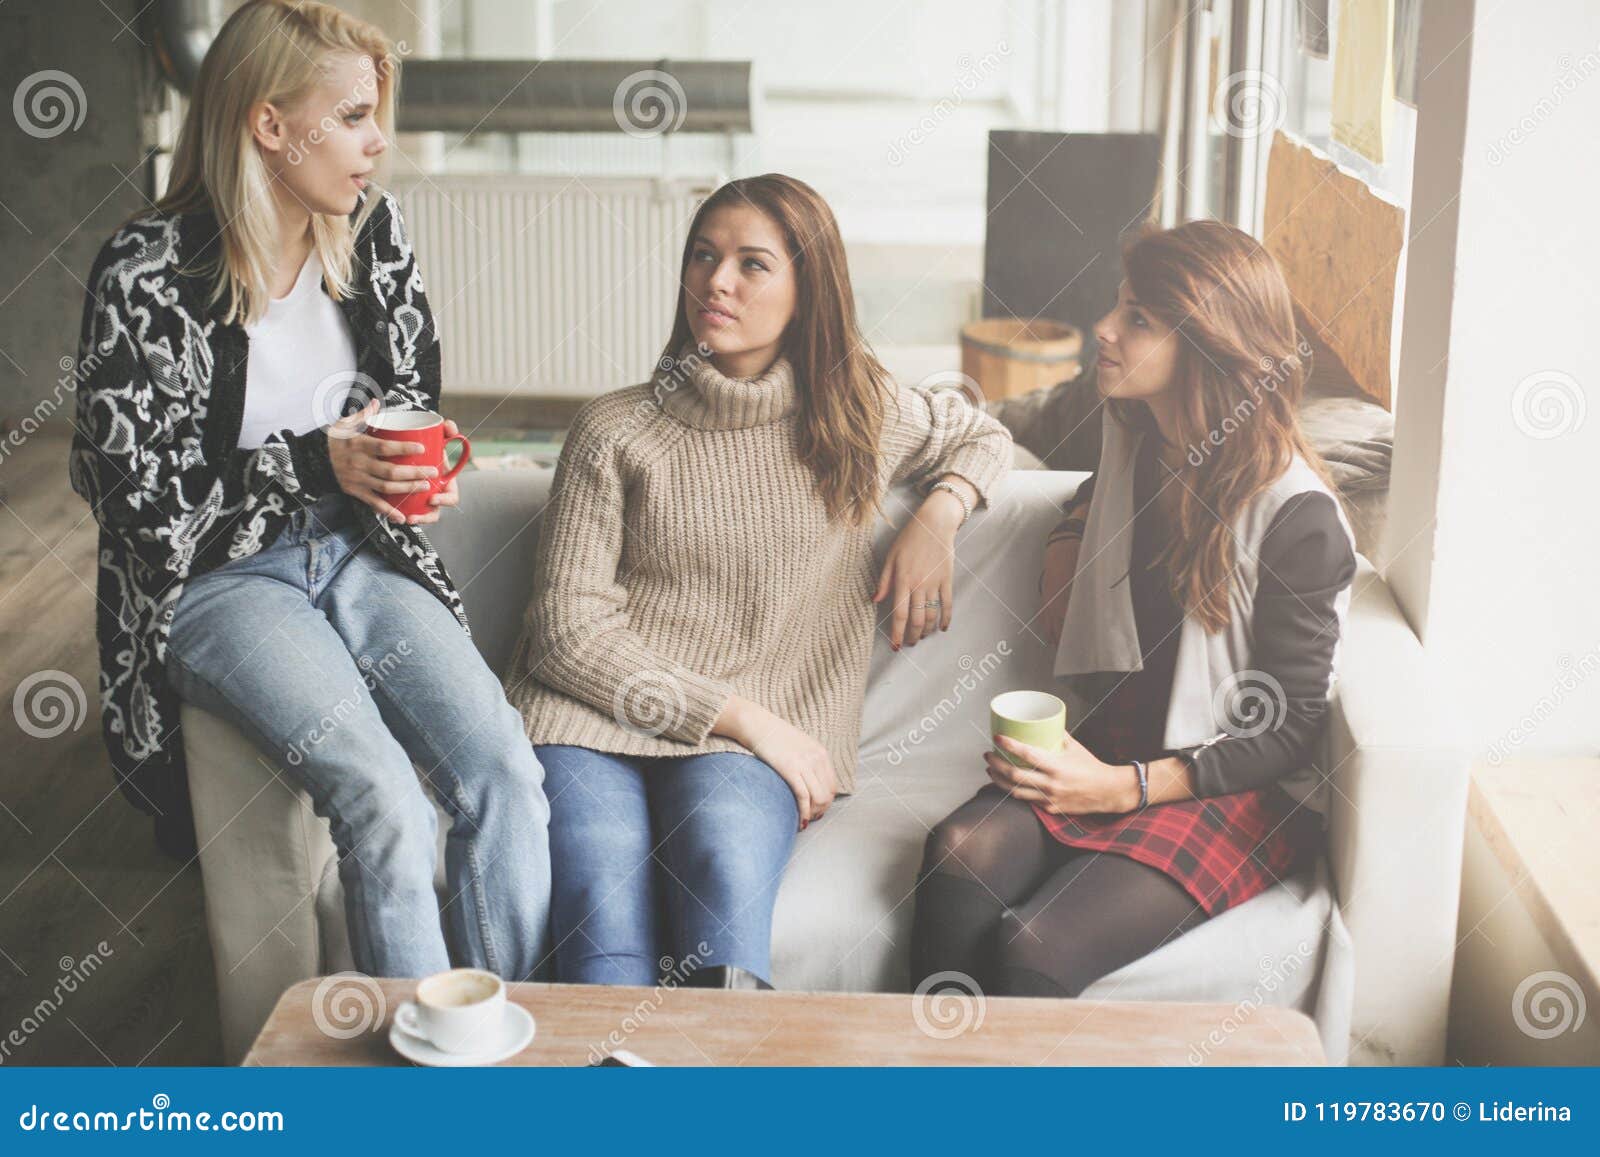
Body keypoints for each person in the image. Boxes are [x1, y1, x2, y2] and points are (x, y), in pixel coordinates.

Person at [69, 0, 550, 982]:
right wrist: (313, 461)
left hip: (358, 548)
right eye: (355, 117)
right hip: (220, 582)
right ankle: (421, 1066)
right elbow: (139, 506)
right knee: (381, 794)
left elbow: (409, 396)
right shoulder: (144, 272)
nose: (379, 144)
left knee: (505, 767)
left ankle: (510, 1043)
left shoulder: (371, 231)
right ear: (270, 124)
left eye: (378, 117)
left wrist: (405, 469)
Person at [507, 173, 1013, 989]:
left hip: (746, 739)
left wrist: (941, 511)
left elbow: (981, 434)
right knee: (601, 882)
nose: (717, 282)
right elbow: (565, 633)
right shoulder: (614, 428)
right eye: (704, 256)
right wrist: (747, 718)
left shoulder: (860, 416)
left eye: (752, 264)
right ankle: (608, 1068)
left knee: (722, 859)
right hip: (593, 714)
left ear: (809, 289)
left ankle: (724, 1067)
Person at [911, 219, 1358, 998]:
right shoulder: (1142, 433)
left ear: (1208, 347)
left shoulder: (1300, 519)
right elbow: (1101, 490)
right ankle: (921, 1069)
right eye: (1119, 306)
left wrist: (1124, 789)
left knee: (1032, 945)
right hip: (1119, 744)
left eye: (1138, 318)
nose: (1105, 329)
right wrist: (1067, 535)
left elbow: (1288, 732)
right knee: (957, 853)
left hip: (1227, 785)